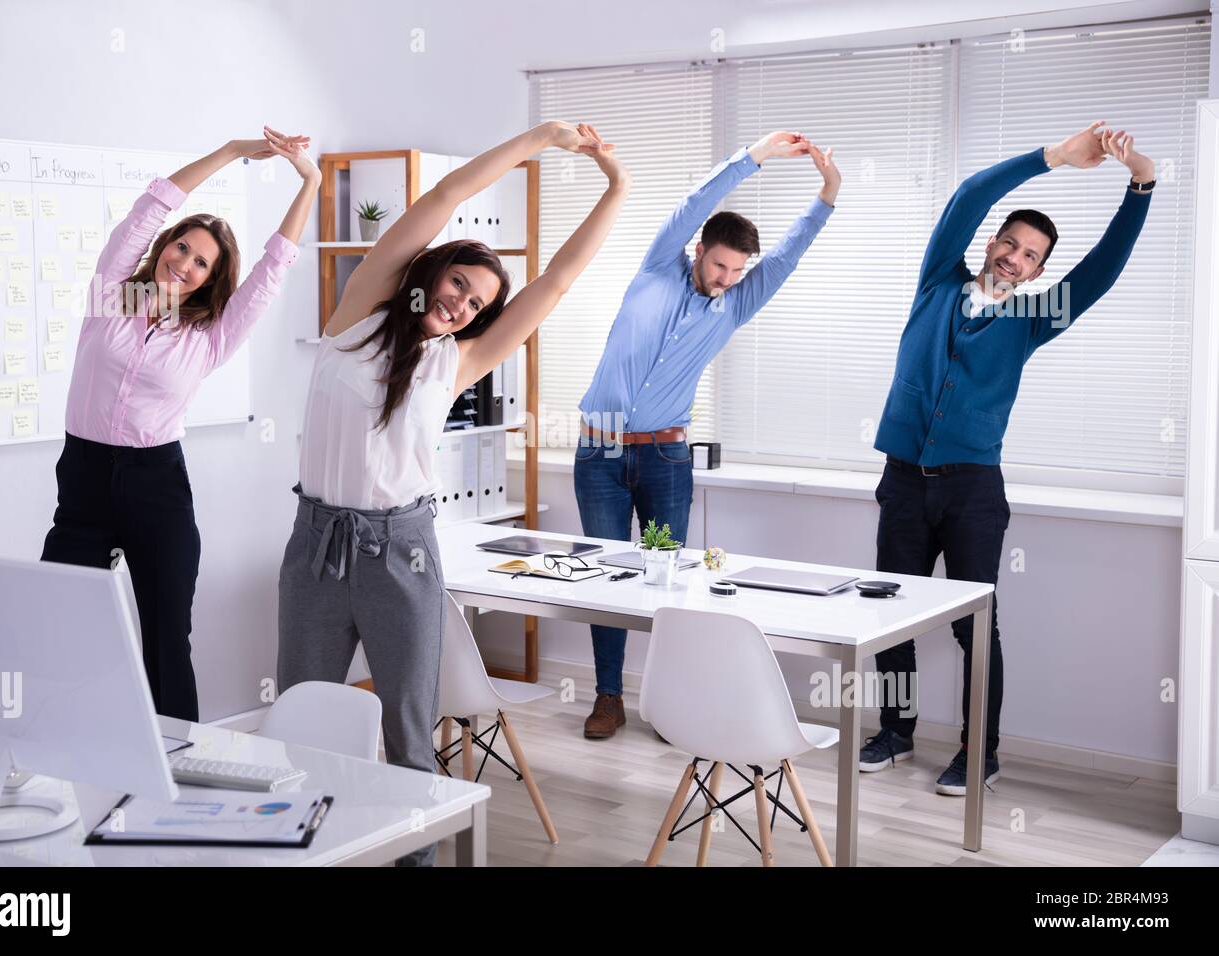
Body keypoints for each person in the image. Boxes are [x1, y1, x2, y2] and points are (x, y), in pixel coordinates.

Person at [277, 121, 629, 865]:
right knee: (299, 727)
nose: (464, 304)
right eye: (458, 285)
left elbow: (557, 281)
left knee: (410, 739)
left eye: (478, 303)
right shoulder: (356, 319)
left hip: (400, 550)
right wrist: (542, 137)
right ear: (429, 275)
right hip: (315, 544)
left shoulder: (457, 363)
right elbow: (445, 194)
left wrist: (615, 184)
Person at [860, 122, 1154, 795]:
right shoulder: (937, 284)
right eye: (1010, 243)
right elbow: (967, 195)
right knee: (892, 612)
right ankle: (896, 729)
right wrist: (1052, 158)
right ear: (992, 243)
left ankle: (979, 752)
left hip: (973, 492)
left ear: (1039, 272)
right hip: (903, 482)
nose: (1015, 257)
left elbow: (1103, 270)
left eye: (1030, 255)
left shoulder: (1033, 318)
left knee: (974, 626)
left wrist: (1140, 184)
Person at [42, 129, 320, 721]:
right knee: (59, 625)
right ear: (164, 245)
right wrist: (231, 152)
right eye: (182, 248)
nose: (185, 264)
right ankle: (67, 751)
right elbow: (154, 204)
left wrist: (311, 181)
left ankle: (184, 774)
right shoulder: (109, 297)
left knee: (167, 640)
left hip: (156, 486)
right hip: (85, 479)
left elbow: (273, 270)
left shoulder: (210, 336)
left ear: (211, 279)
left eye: (202, 263)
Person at [573, 131, 841, 739]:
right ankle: (608, 696)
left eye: (736, 269)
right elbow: (695, 201)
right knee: (612, 578)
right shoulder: (657, 265)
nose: (726, 277)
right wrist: (757, 156)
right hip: (601, 453)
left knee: (665, 574)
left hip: (666, 459)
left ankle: (672, 701)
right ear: (698, 250)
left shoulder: (737, 302)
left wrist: (827, 193)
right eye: (719, 264)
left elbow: (790, 253)